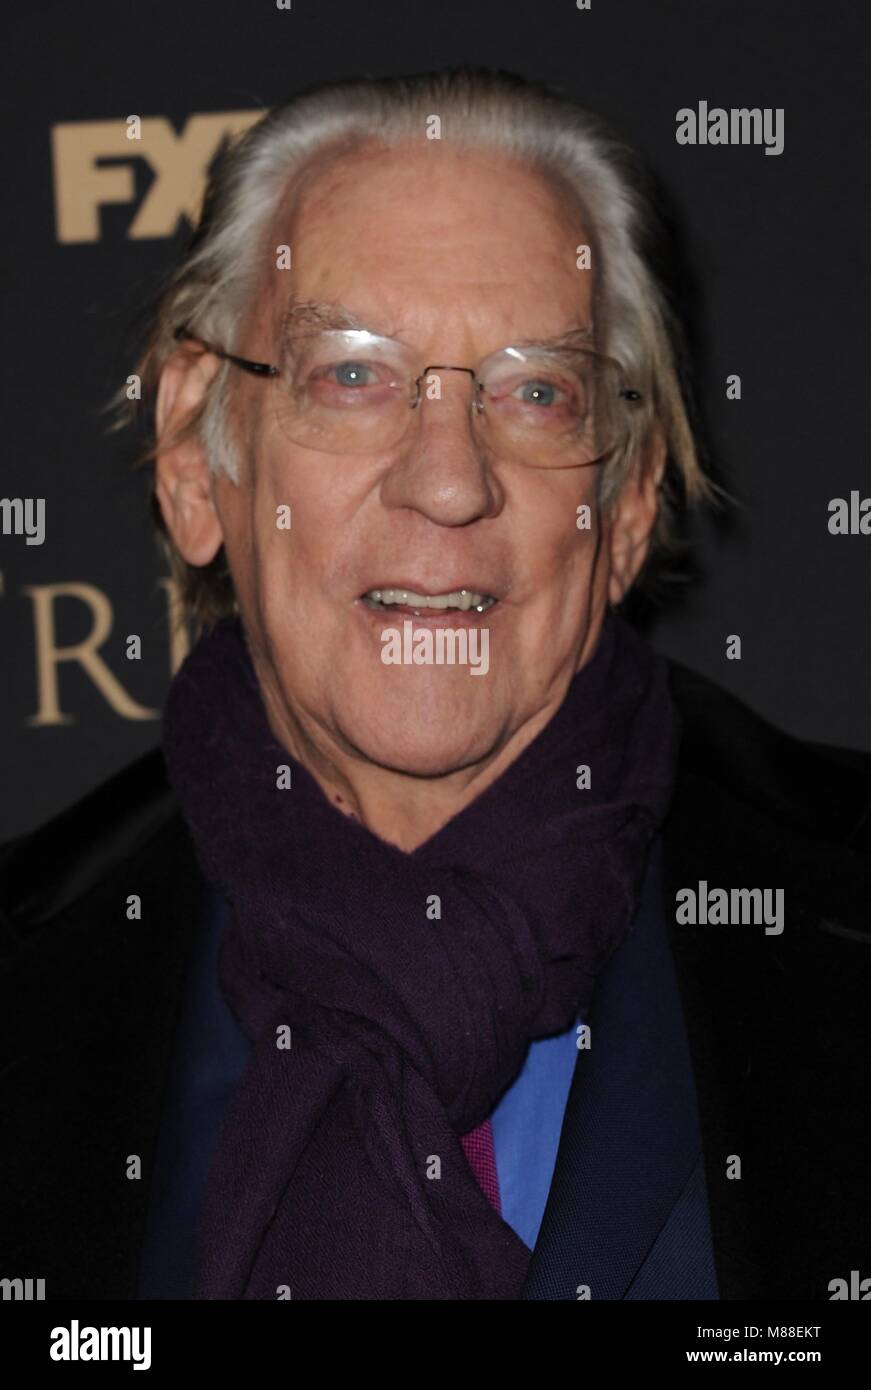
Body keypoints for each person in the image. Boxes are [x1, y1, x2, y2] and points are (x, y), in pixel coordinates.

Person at [1, 67, 869, 1302]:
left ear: (624, 505)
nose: (448, 481)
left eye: (535, 393)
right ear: (201, 456)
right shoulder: (33, 983)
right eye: (351, 376)